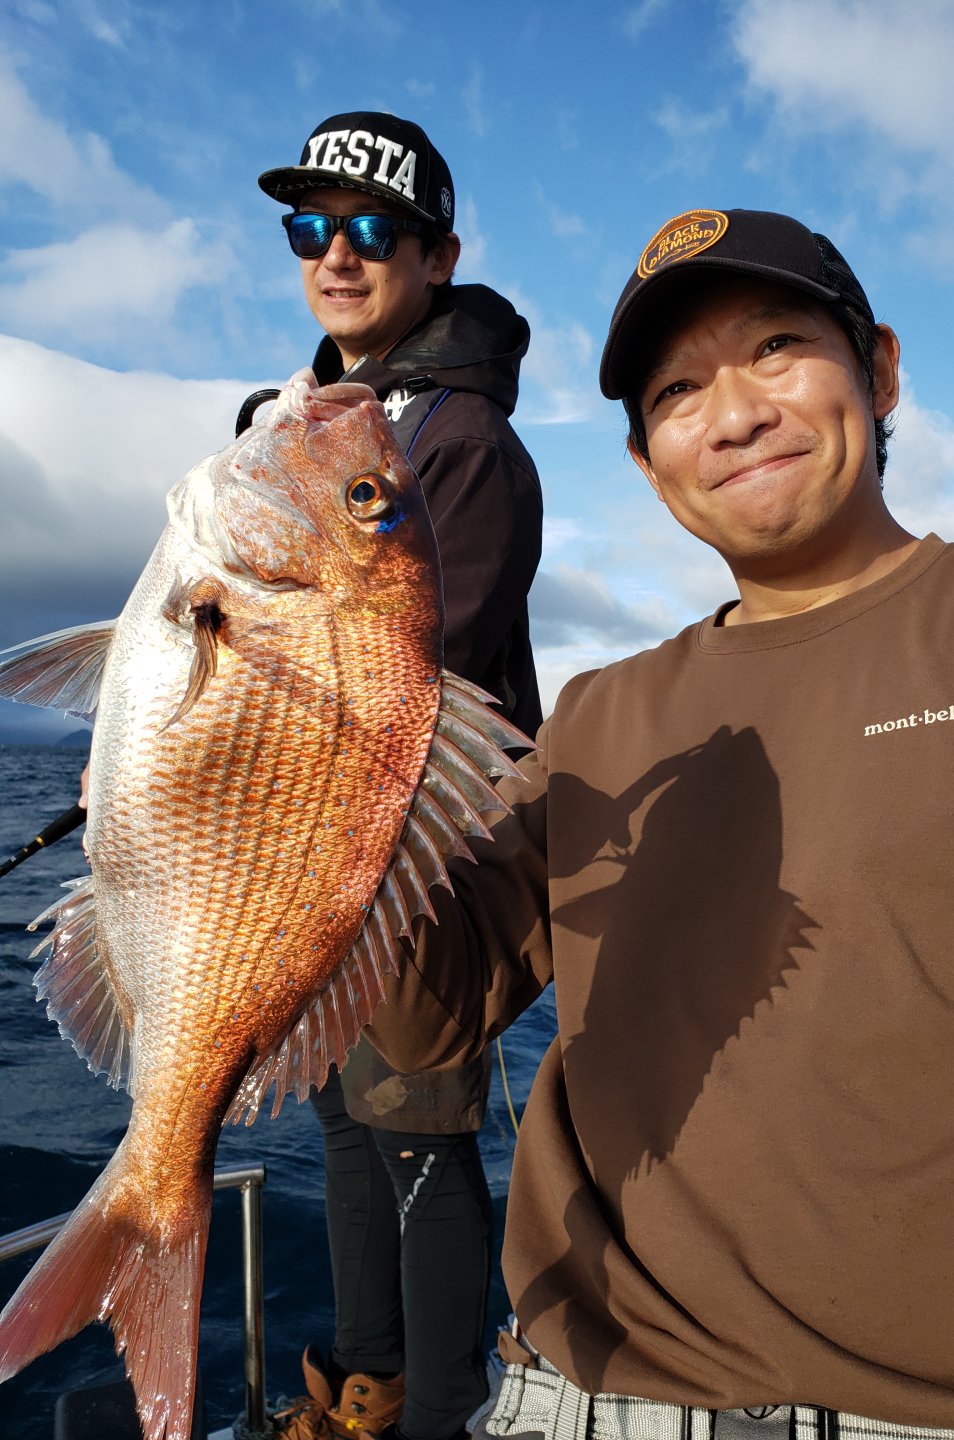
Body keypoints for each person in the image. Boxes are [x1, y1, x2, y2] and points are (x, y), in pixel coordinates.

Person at [360, 206, 954, 1440]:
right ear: (649, 464)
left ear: (884, 369)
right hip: (574, 1397)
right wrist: (320, 775)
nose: (735, 413)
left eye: (780, 348)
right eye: (679, 390)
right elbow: (424, 1018)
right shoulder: (599, 710)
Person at [249, 113, 544, 1440]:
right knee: (342, 1120)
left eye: (373, 230)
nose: (339, 256)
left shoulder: (462, 438)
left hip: (425, 851)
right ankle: (364, 1385)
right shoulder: (321, 418)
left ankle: (436, 1412)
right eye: (313, 228)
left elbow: (422, 666)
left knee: (419, 1129)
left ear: (437, 255)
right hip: (322, 839)